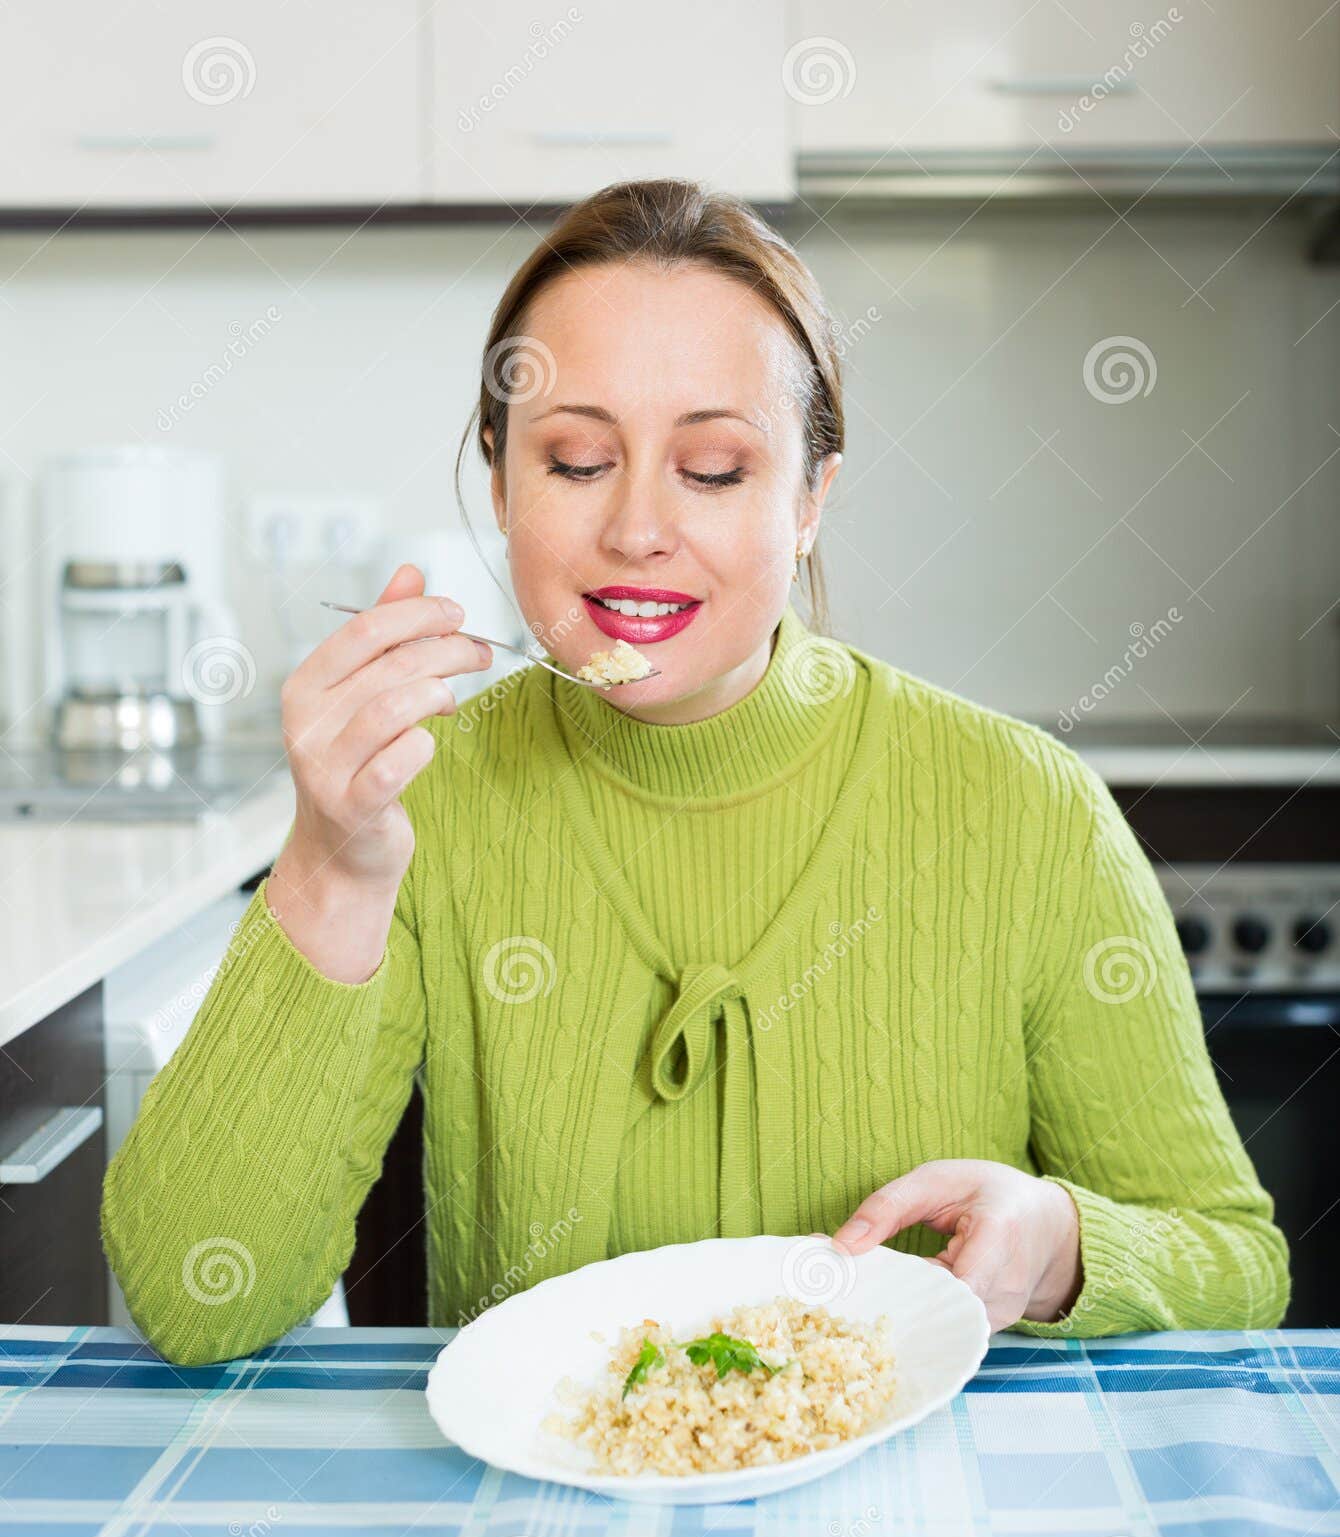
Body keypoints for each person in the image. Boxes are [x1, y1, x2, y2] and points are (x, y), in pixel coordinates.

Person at [101, 178, 1288, 1367]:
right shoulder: (418, 801)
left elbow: (1234, 1259)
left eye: (712, 470)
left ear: (809, 499)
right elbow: (195, 1300)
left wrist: (1060, 1239)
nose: (635, 529)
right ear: (503, 481)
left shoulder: (1025, 807)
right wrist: (327, 867)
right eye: (573, 461)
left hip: (910, 1531)